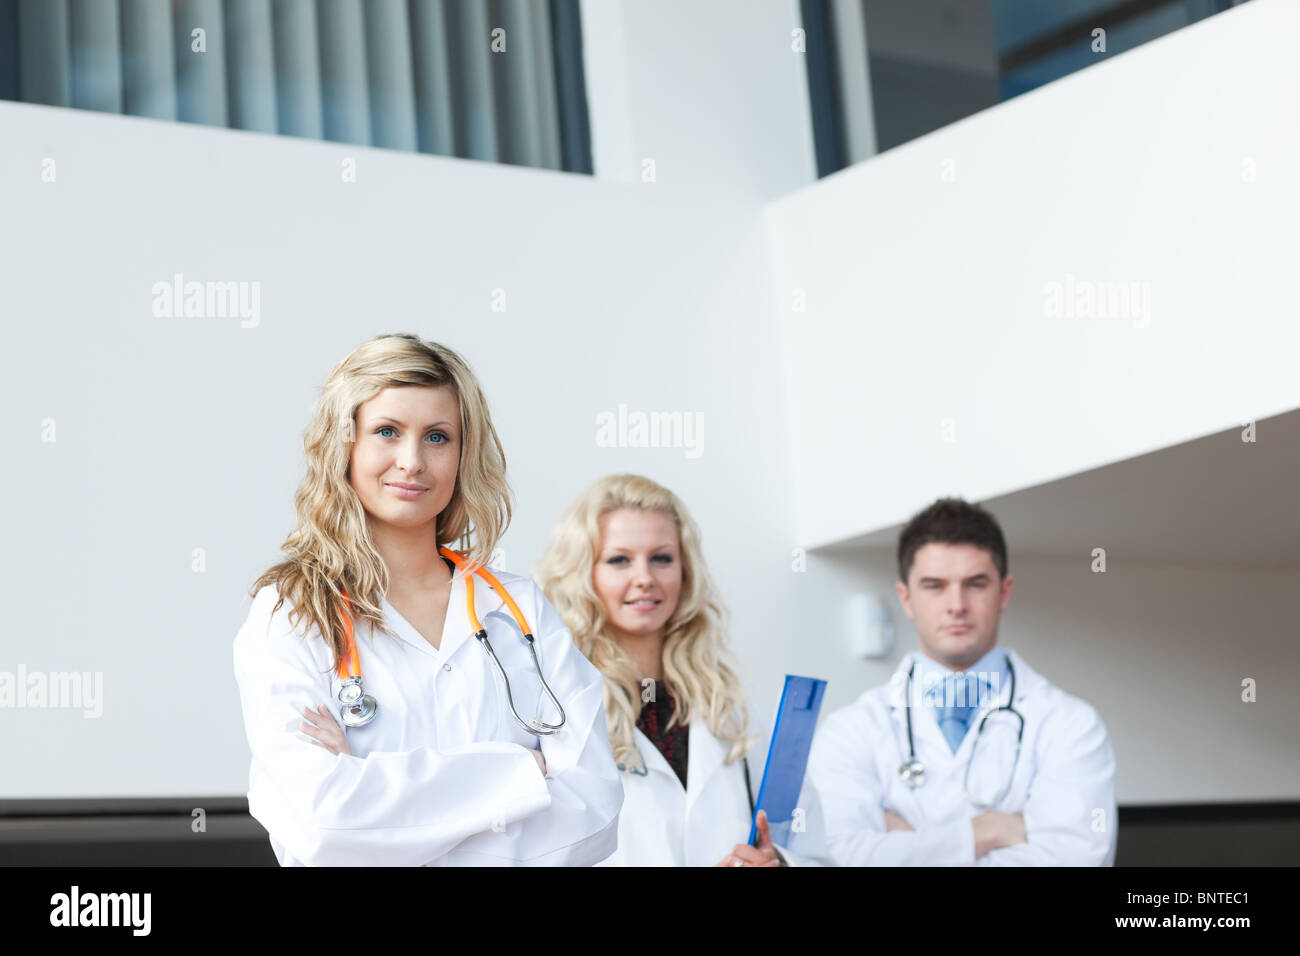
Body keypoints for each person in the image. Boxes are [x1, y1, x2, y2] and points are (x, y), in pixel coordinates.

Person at [232, 333, 623, 866]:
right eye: (387, 432)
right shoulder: (292, 612)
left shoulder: (520, 609)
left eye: (437, 437)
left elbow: (593, 813)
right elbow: (322, 824)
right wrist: (524, 770)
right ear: (344, 444)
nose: (412, 461)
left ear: (464, 454)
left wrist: (374, 794)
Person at [534, 473, 832, 866]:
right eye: (619, 560)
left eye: (661, 558)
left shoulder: (729, 713)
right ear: (583, 575)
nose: (644, 578)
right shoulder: (553, 711)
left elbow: (813, 850)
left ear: (684, 571)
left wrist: (777, 861)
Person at [807, 497, 1117, 865]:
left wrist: (906, 844)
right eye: (934, 586)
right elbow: (836, 857)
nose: (956, 604)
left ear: (1004, 592)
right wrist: (984, 833)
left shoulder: (1070, 725)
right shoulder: (850, 730)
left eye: (975, 584)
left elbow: (1075, 861)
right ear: (906, 598)